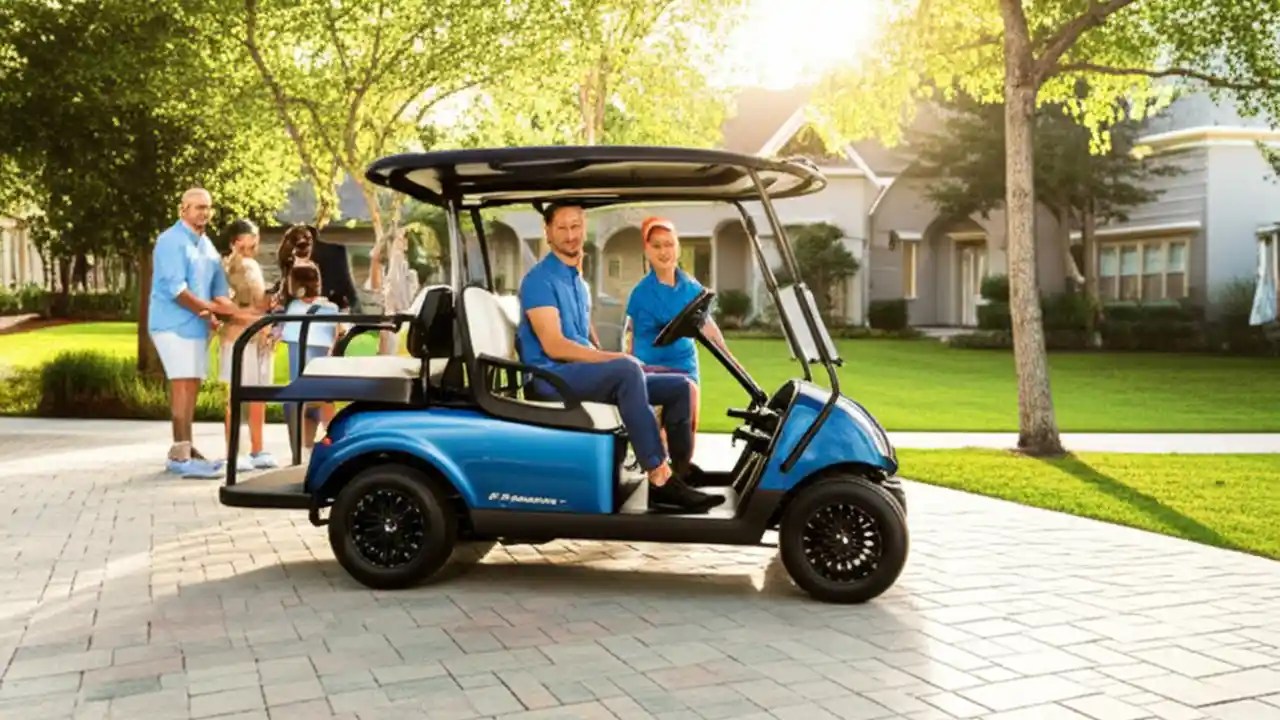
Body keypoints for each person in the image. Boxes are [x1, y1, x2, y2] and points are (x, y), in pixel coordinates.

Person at [516, 202, 723, 513]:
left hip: (575, 373)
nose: (571, 235)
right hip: (550, 377)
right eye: (562, 227)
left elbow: (583, 338)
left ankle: (675, 476)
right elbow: (555, 346)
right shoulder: (539, 280)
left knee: (680, 386)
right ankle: (658, 475)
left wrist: (606, 357)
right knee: (627, 370)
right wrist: (614, 359)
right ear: (548, 232)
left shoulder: (577, 281)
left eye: (576, 226)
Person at [624, 217, 741, 442]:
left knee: (687, 431)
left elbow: (707, 325)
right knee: (662, 438)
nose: (663, 251)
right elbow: (630, 335)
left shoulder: (691, 287)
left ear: (677, 247)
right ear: (647, 250)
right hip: (652, 370)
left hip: (685, 365)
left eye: (668, 244)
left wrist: (732, 360)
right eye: (656, 246)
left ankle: (683, 471)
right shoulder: (641, 293)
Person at [148, 187, 239, 477]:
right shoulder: (170, 241)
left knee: (193, 385)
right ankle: (180, 455)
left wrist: (244, 313)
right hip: (172, 324)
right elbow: (177, 290)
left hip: (198, 327)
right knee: (182, 385)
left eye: (207, 207)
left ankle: (186, 447)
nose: (204, 212)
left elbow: (220, 291)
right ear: (183, 209)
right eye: (198, 207)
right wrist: (211, 311)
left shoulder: (207, 246)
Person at [218, 218, 279, 473]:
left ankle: (258, 448)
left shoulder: (254, 266)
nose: (255, 242)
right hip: (237, 338)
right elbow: (226, 306)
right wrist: (255, 317)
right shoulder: (224, 267)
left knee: (258, 395)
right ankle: (234, 451)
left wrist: (270, 308)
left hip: (260, 337)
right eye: (250, 237)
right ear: (236, 240)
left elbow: (258, 300)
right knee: (236, 395)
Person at [280, 260, 343, 452]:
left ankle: (299, 451)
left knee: (297, 407)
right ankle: (335, 446)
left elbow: (284, 334)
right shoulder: (330, 308)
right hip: (323, 379)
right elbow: (337, 335)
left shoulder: (293, 308)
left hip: (299, 381)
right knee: (325, 410)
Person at [367, 226, 420, 355]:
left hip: (403, 327)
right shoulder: (384, 273)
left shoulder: (410, 275)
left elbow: (402, 299)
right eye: (395, 241)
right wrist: (375, 259)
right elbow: (376, 292)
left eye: (401, 240)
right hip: (389, 329)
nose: (397, 244)